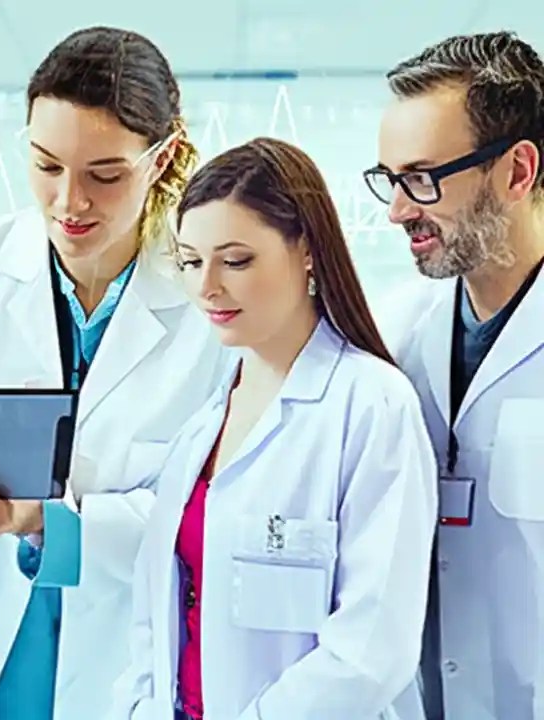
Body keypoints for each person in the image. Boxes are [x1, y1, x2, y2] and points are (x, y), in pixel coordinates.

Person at [0, 27, 231, 720]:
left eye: (105, 174)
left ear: (164, 160)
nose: (70, 202)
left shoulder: (209, 301)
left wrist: (44, 519)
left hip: (125, 653)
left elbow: (214, 504)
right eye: (45, 166)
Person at [114, 137, 438, 720]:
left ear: (308, 251)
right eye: (191, 262)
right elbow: (153, 618)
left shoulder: (370, 405)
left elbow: (372, 650)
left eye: (235, 261)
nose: (207, 286)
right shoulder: (207, 420)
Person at [367, 31, 544, 720]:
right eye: (389, 179)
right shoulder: (393, 336)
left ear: (517, 171)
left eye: (422, 178)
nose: (397, 209)